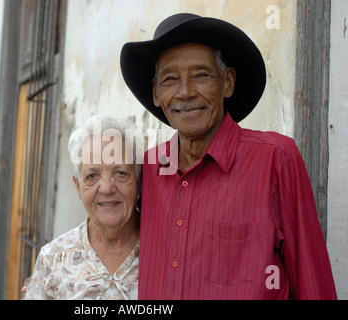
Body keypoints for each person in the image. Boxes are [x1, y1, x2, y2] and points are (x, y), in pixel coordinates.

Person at [120, 13, 337, 300]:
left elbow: (313, 283)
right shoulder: (149, 168)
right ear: (157, 93)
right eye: (170, 79)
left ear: (228, 82)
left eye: (200, 75)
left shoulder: (275, 158)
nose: (185, 92)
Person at [24, 115, 142, 300]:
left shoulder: (165, 251)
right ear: (78, 187)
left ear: (139, 181)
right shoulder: (53, 259)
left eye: (120, 173)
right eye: (92, 176)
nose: (106, 188)